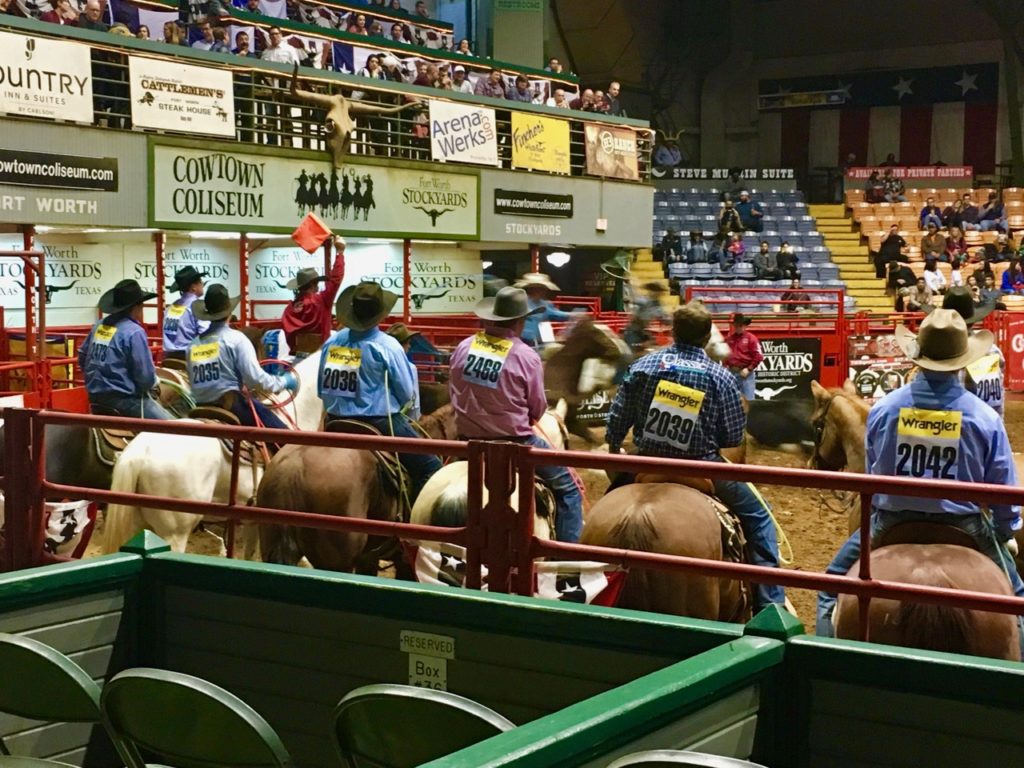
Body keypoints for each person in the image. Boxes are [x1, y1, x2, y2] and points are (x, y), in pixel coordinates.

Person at [816, 309, 1024, 640]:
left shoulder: (885, 410)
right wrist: (1005, 529)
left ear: (919, 357)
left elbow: (873, 472)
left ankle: (826, 656)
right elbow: (1001, 482)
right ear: (961, 361)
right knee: (1017, 598)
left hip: (892, 520)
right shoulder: (984, 417)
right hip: (963, 523)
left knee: (830, 587)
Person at [605, 301, 785, 611]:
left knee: (606, 509)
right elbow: (732, 436)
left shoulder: (644, 366)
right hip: (702, 465)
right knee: (760, 518)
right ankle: (771, 605)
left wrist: (614, 446)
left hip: (646, 461)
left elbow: (617, 420)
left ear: (673, 333)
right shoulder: (721, 377)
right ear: (706, 337)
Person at [449, 287, 584, 542]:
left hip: (468, 442)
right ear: (520, 322)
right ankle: (565, 556)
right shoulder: (525, 356)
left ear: (491, 318)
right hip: (516, 443)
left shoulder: (463, 347)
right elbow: (537, 409)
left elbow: (454, 389)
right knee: (570, 489)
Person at [319, 282, 441, 501]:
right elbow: (406, 394)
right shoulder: (387, 346)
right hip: (379, 423)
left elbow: (322, 389)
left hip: (335, 421)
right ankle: (413, 519)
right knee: (431, 466)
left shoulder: (333, 341)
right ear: (379, 314)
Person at [187, 284, 298, 430]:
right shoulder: (236, 339)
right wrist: (284, 381)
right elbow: (257, 381)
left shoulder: (193, 344)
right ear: (229, 312)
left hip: (199, 406)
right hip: (231, 406)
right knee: (285, 435)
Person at [80, 279, 173, 420]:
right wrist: (154, 382)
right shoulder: (134, 332)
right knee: (175, 427)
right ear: (136, 306)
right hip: (125, 402)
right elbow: (145, 378)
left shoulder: (99, 326)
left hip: (95, 399)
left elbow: (82, 356)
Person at [942, 287, 1003, 416]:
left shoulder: (929, 350)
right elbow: (991, 404)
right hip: (975, 423)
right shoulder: (989, 351)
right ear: (973, 320)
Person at [282, 237, 346, 354]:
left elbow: (289, 335)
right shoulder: (322, 300)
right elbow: (336, 279)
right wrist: (339, 252)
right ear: (313, 284)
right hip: (320, 354)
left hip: (298, 355)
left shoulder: (289, 310)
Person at [162, 266, 209, 361]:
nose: (202, 284)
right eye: (200, 281)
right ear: (193, 287)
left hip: (168, 358)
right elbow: (206, 336)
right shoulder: (198, 307)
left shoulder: (170, 308)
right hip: (190, 359)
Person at [513, 272, 573, 347]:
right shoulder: (521, 303)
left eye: (542, 289)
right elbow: (554, 314)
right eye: (539, 289)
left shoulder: (546, 304)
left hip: (539, 342)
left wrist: (573, 315)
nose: (543, 291)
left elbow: (556, 315)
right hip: (523, 341)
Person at [724, 313, 762, 400]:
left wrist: (749, 369)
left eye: (740, 325)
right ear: (734, 325)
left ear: (744, 326)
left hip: (745, 373)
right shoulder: (729, 339)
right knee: (732, 400)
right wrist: (725, 367)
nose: (738, 327)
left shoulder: (751, 338)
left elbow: (758, 356)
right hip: (731, 372)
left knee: (748, 401)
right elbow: (725, 355)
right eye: (737, 325)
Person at [624, 282, 668, 349]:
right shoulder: (644, 301)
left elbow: (663, 318)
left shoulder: (658, 305)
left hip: (642, 330)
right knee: (633, 347)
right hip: (633, 331)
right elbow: (635, 302)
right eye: (657, 291)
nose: (660, 294)